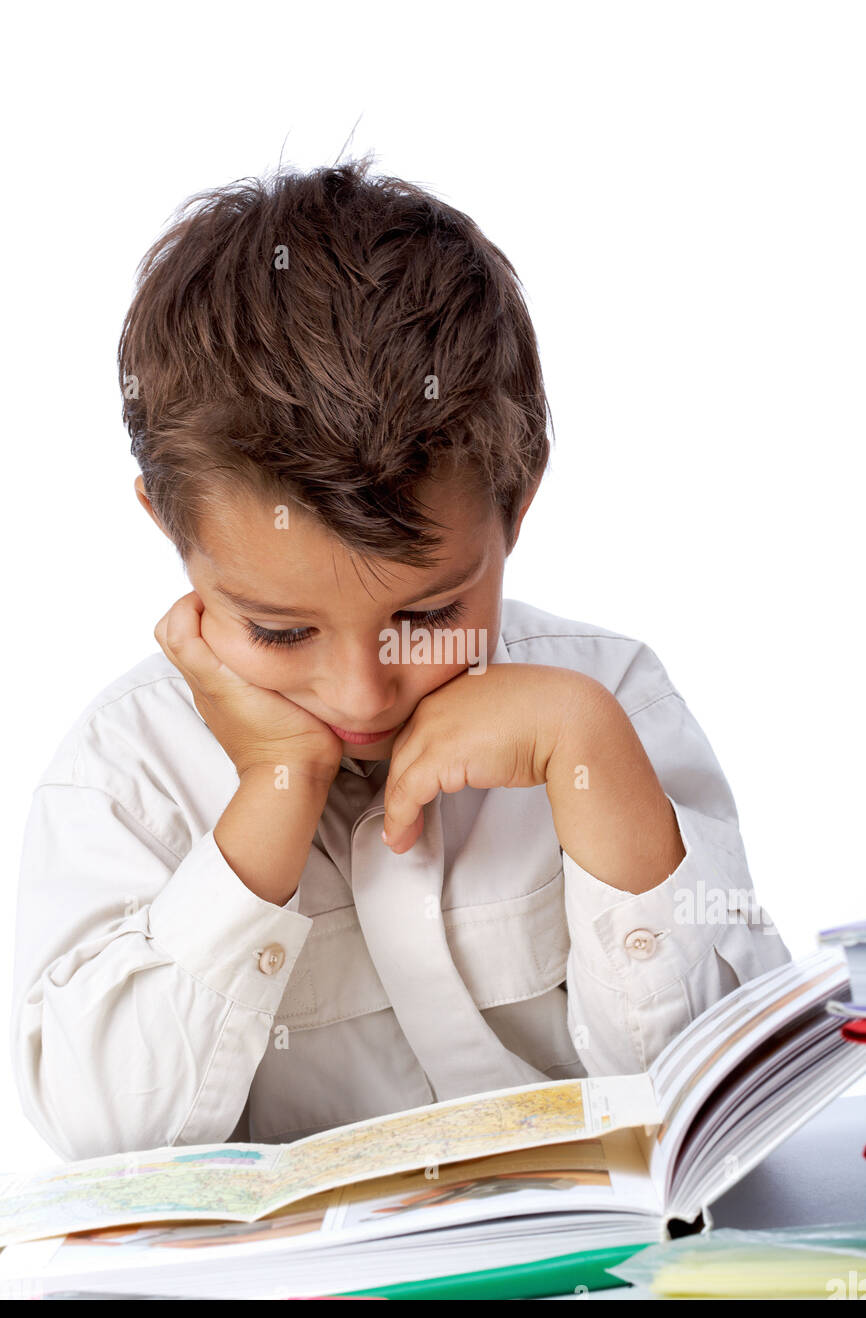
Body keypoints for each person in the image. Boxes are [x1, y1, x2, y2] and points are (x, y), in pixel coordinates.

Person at [11, 157, 791, 1161]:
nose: (361, 692)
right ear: (170, 528)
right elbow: (101, 1133)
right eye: (281, 631)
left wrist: (588, 754)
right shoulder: (126, 776)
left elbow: (728, 1099)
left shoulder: (611, 705)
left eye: (426, 615)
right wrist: (271, 798)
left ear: (515, 502)